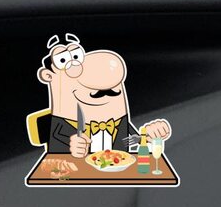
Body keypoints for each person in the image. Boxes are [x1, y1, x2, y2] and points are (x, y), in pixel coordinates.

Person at [35, 33, 171, 157]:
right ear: (48, 76)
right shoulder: (59, 130)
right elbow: (54, 165)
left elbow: (131, 143)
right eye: (64, 61)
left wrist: (150, 135)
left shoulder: (119, 124)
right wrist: (71, 151)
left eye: (77, 56)